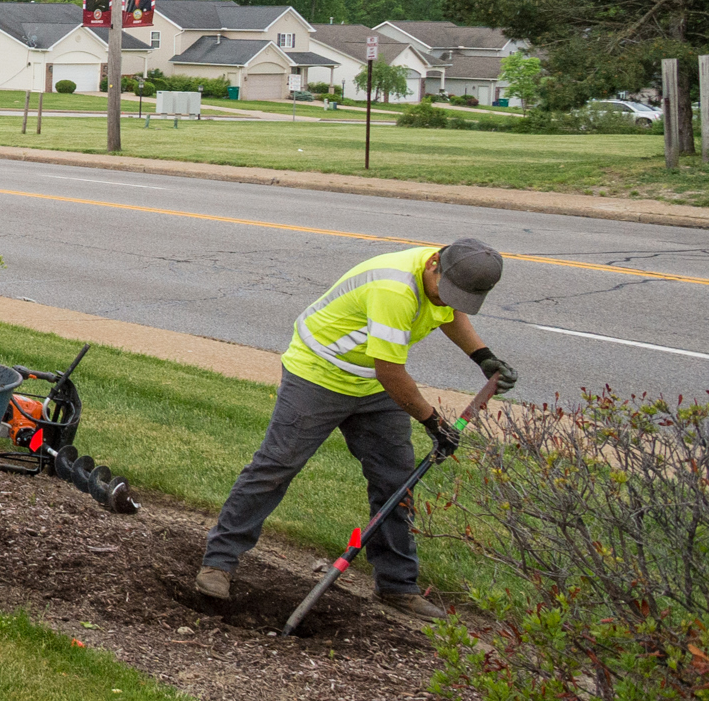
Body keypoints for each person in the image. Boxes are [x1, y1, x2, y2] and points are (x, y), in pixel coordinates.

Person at [196, 237, 516, 621]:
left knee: (396, 481)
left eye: (459, 297)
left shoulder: (442, 282)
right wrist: (434, 422)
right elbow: (391, 372)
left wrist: (483, 357)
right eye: (447, 292)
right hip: (318, 374)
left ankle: (397, 585)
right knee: (275, 466)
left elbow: (448, 314)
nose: (449, 301)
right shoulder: (395, 287)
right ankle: (219, 563)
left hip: (372, 385)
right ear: (434, 263)